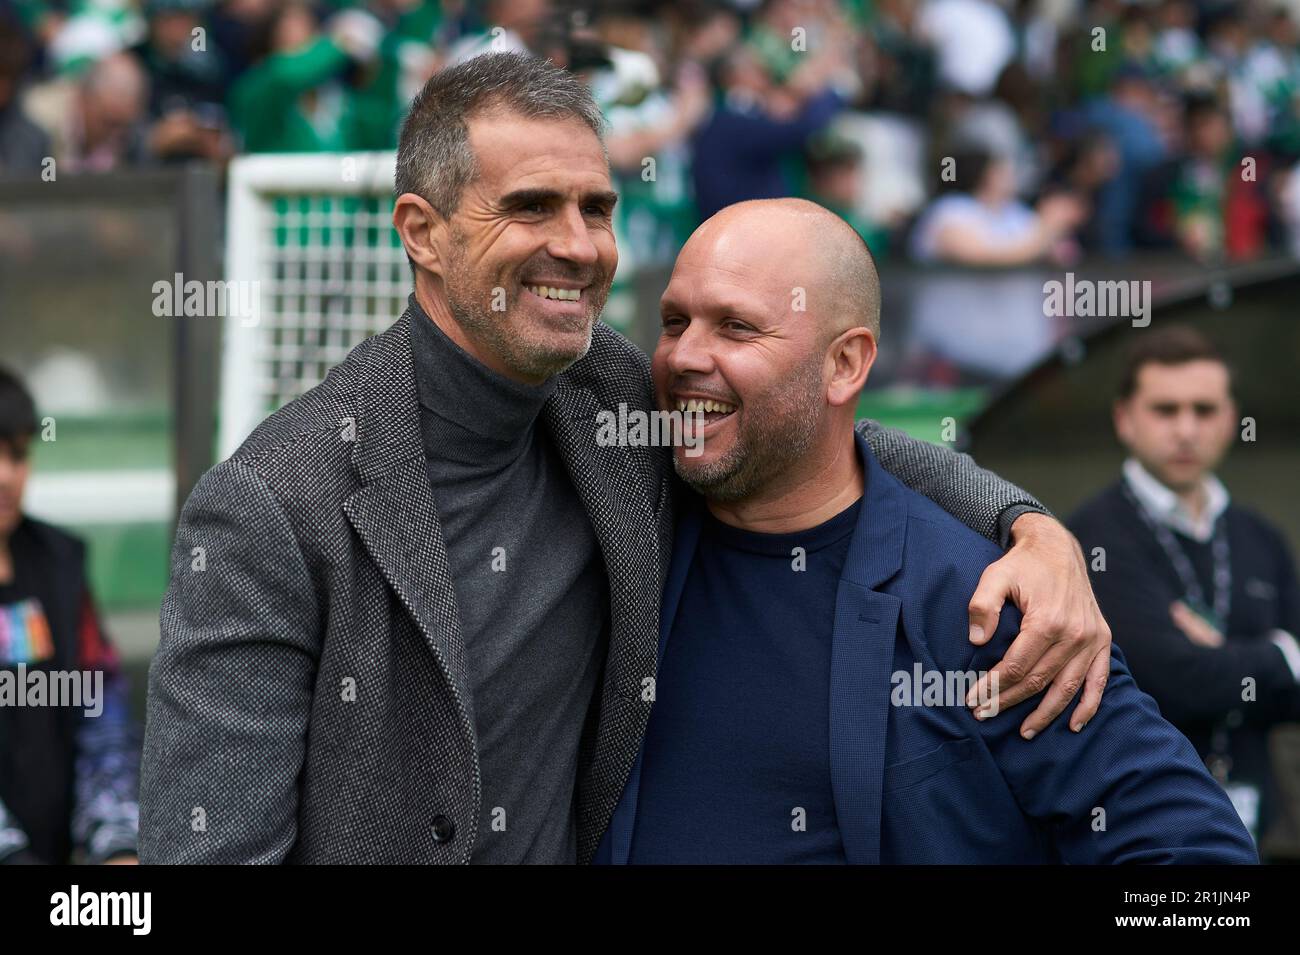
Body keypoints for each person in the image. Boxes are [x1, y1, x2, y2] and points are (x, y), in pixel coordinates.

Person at [140, 52, 1111, 865]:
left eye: (595, 208)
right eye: (530, 206)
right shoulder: (266, 509)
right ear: (420, 234)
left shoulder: (614, 395)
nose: (577, 246)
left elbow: (826, 434)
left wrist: (1027, 526)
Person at [597, 200, 1256, 864]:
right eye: (674, 321)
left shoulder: (984, 604)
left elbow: (1198, 858)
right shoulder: (618, 534)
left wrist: (1034, 531)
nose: (684, 355)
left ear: (846, 365)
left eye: (736, 327)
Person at [1069, 326, 1300, 846]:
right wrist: (1278, 655)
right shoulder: (1087, 539)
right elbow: (1166, 678)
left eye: (1204, 409)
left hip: (1258, 828)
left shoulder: (1260, 537)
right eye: (1165, 410)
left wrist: (1225, 658)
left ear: (1231, 418)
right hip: (1136, 828)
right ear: (1124, 419)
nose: (1186, 430)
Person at [0, 367, 140, 865]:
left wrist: (118, 839)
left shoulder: (59, 564)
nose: (6, 475)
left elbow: (102, 710)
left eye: (17, 455)